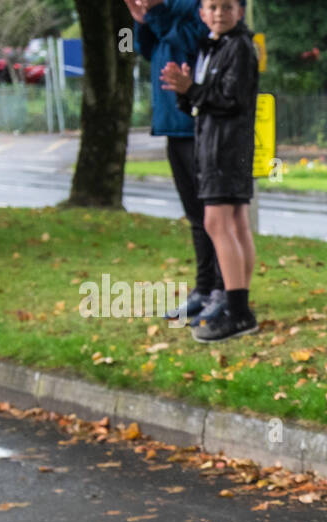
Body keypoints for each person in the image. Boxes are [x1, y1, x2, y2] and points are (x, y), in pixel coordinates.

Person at [159, 0, 259, 342]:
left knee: (218, 223)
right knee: (234, 224)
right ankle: (238, 307)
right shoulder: (214, 47)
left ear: (240, 12)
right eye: (212, 7)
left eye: (226, 6)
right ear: (202, 14)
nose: (218, 13)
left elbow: (232, 100)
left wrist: (193, 91)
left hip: (227, 151)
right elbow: (206, 102)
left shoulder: (240, 48)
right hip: (217, 148)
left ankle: (237, 310)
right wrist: (184, 92)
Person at [125, 0, 225, 325]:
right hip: (173, 119)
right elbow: (152, 49)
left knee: (216, 214)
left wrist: (154, 14)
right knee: (196, 215)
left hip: (201, 120)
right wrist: (141, 20)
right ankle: (204, 288)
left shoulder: (205, 5)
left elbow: (195, 39)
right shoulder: (164, 6)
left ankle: (225, 290)